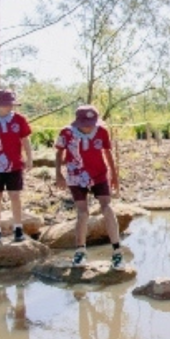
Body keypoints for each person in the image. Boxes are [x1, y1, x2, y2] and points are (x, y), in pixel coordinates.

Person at [55, 105, 123, 268]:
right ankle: (80, 250)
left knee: (106, 207)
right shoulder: (66, 133)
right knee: (83, 212)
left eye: (92, 123)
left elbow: (107, 153)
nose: (89, 127)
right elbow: (59, 153)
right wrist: (58, 174)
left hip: (99, 175)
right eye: (85, 124)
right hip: (76, 176)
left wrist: (114, 175)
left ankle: (117, 250)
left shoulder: (102, 132)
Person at [0, 90, 33, 244]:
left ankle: (18, 228)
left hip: (15, 164)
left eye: (12, 104)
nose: (10, 107)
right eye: (7, 104)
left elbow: (25, 140)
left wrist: (29, 158)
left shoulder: (19, 119)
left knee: (15, 195)